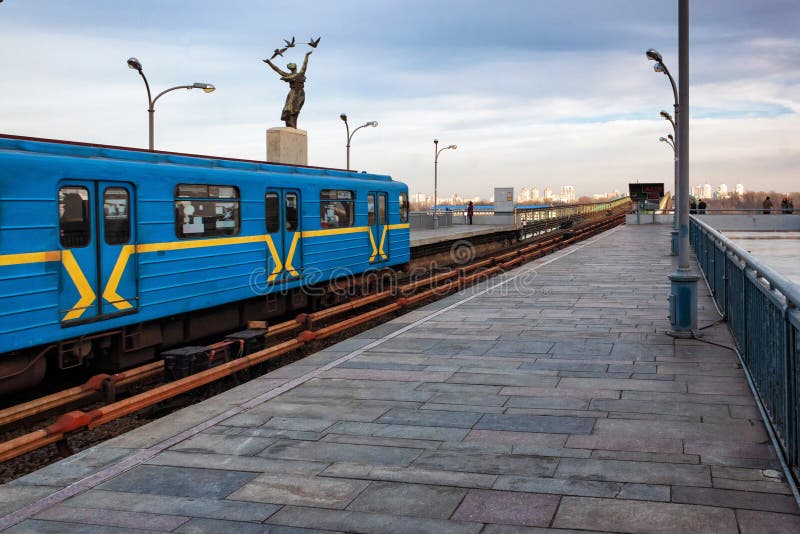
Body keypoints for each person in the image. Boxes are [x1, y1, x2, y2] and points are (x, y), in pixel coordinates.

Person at [263, 50, 313, 128]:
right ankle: (290, 122)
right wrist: (269, 63)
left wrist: (307, 55)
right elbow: (277, 70)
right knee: (289, 109)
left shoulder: (300, 74)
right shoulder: (290, 75)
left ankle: (293, 124)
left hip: (299, 93)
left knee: (295, 110)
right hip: (293, 92)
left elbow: (304, 64)